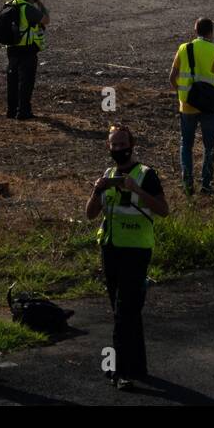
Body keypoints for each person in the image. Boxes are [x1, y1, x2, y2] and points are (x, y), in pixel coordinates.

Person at [85, 124, 169, 389]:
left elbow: (163, 210)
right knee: (125, 311)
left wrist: (136, 190)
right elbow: (90, 214)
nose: (119, 149)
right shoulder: (108, 174)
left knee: (125, 311)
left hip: (136, 251)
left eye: (123, 144)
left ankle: (117, 370)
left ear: (132, 145)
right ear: (109, 148)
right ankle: (138, 365)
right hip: (111, 249)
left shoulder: (146, 174)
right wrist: (97, 190)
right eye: (114, 145)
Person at [169, 18, 214, 195]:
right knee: (209, 146)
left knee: (186, 145)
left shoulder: (184, 48)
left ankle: (187, 182)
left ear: (195, 30)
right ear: (211, 31)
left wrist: (184, 95)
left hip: (187, 107)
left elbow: (172, 78)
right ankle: (206, 184)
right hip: (209, 108)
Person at [4, 0, 49, 121]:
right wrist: (40, 5)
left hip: (11, 49)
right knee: (26, 82)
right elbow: (46, 20)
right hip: (27, 49)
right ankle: (23, 111)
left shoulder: (9, 4)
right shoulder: (27, 8)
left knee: (12, 80)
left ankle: (11, 110)